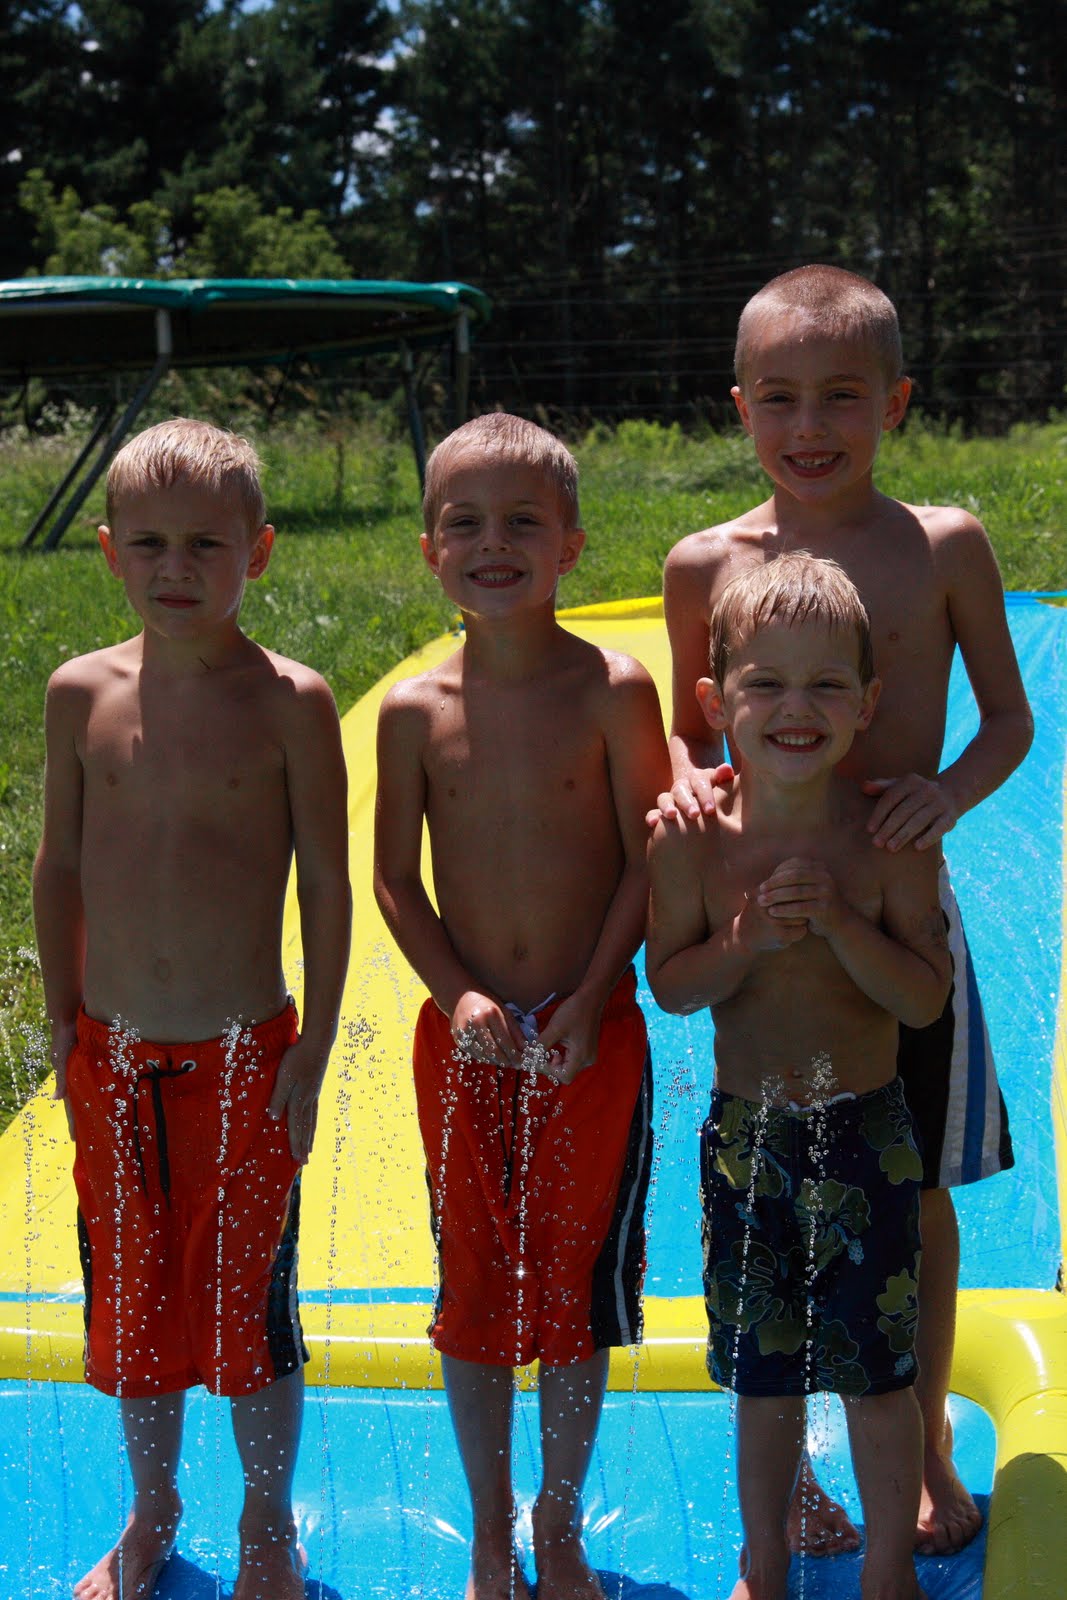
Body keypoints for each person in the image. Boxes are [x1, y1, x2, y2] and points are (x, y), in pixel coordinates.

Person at [658, 264, 1033, 1557]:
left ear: (895, 403)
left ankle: (915, 1434)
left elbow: (1005, 719)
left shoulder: (937, 546)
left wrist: (941, 792)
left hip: (897, 914)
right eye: (777, 400)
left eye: (837, 398)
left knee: (909, 1188)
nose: (806, 426)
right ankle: (804, 1468)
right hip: (759, 921)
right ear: (737, 408)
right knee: (764, 1186)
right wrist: (680, 806)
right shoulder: (704, 562)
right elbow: (679, 728)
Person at [33, 418, 352, 1600]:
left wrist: (313, 1046)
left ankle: (268, 1519)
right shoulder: (81, 694)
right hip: (112, 1053)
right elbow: (58, 864)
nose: (177, 570)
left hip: (240, 1051)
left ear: (256, 552)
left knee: (252, 1304)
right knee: (131, 1300)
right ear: (111, 551)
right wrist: (61, 1014)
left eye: (205, 546)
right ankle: (153, 1507)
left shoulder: (290, 702)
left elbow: (325, 876)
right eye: (151, 545)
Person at [373, 413, 671, 1600]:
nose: (492, 544)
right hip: (465, 1043)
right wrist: (460, 994)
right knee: (475, 1288)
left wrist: (595, 994)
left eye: (522, 524)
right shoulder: (411, 709)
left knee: (577, 1289)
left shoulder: (611, 688)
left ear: (572, 546)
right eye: (464, 523)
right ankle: (491, 1530)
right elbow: (395, 877)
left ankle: (557, 1522)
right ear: (428, 550)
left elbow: (651, 857)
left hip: (592, 1036)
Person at [647, 551, 953, 1600]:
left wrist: (841, 926)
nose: (794, 708)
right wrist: (739, 942)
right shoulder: (689, 838)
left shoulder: (887, 838)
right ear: (712, 701)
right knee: (762, 1382)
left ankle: (881, 1565)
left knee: (879, 1376)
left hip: (865, 1132)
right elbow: (672, 986)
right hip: (748, 1139)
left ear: (865, 703)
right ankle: (764, 1560)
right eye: (764, 684)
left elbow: (920, 1000)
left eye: (825, 684)